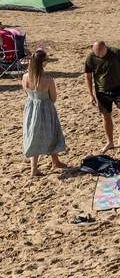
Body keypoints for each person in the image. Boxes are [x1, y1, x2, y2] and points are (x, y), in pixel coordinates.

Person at [22, 48, 66, 180]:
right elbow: (53, 98)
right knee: (48, 133)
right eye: (46, 59)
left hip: (31, 107)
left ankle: (55, 161)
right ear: (42, 63)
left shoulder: (25, 77)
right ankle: (34, 169)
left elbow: (26, 93)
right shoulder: (47, 79)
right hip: (45, 108)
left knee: (34, 134)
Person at [84, 41, 120, 149]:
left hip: (119, 88)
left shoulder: (116, 52)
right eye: (96, 53)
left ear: (105, 48)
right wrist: (90, 94)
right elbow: (88, 76)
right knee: (106, 116)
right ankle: (109, 142)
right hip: (102, 91)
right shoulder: (90, 57)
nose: (99, 55)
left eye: (100, 53)